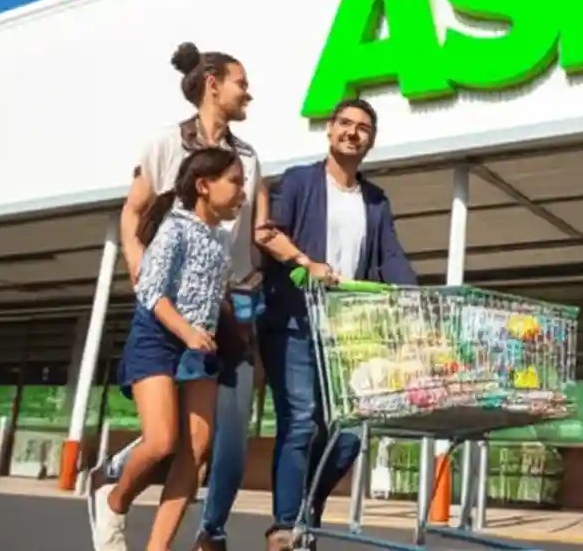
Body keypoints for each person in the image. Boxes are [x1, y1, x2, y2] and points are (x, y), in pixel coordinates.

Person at [88, 42, 261, 551]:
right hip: (164, 325)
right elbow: (133, 213)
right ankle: (112, 497)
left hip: (208, 330)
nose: (248, 92)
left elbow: (254, 232)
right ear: (213, 84)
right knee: (163, 440)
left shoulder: (246, 157)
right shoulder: (167, 147)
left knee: (199, 448)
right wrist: (142, 269)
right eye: (241, 82)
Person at [253, 98, 419, 551]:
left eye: (363, 127)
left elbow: (390, 256)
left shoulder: (375, 200)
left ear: (371, 140)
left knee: (348, 435)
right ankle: (285, 527)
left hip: (348, 334)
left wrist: (413, 297)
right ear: (330, 131)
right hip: (295, 323)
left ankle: (307, 512)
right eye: (344, 123)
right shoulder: (300, 181)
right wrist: (308, 263)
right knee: (302, 423)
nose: (352, 132)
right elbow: (269, 232)